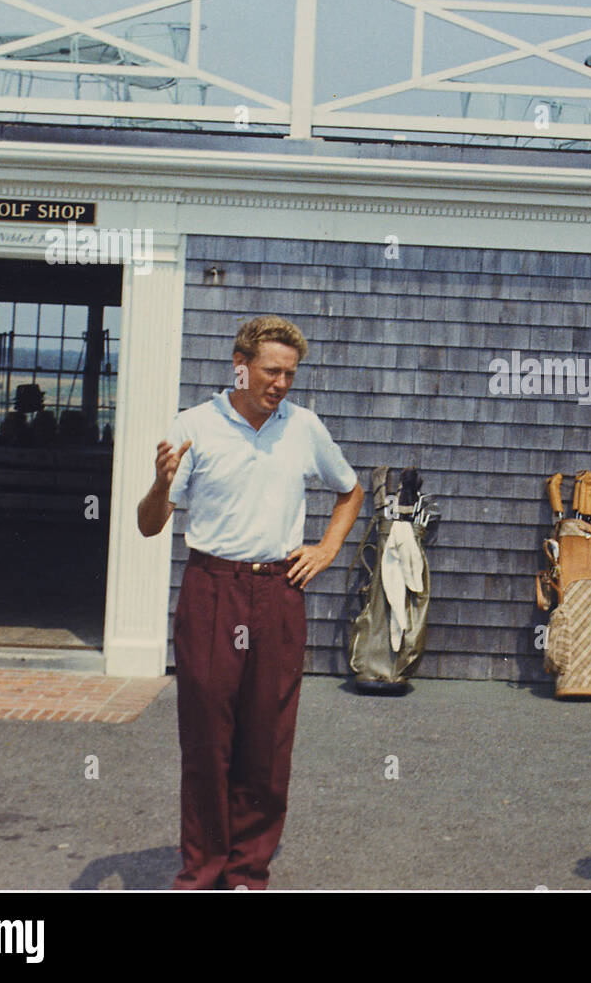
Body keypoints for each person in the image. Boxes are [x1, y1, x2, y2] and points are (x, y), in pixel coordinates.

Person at [138, 315, 364, 890]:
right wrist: (162, 483)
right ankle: (203, 868)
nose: (281, 383)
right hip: (213, 589)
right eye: (271, 371)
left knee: (267, 739)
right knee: (207, 736)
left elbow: (350, 489)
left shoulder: (303, 426)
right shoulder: (194, 426)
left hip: (279, 592)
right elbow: (148, 525)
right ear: (240, 366)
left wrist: (328, 548)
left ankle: (246, 871)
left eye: (290, 373)